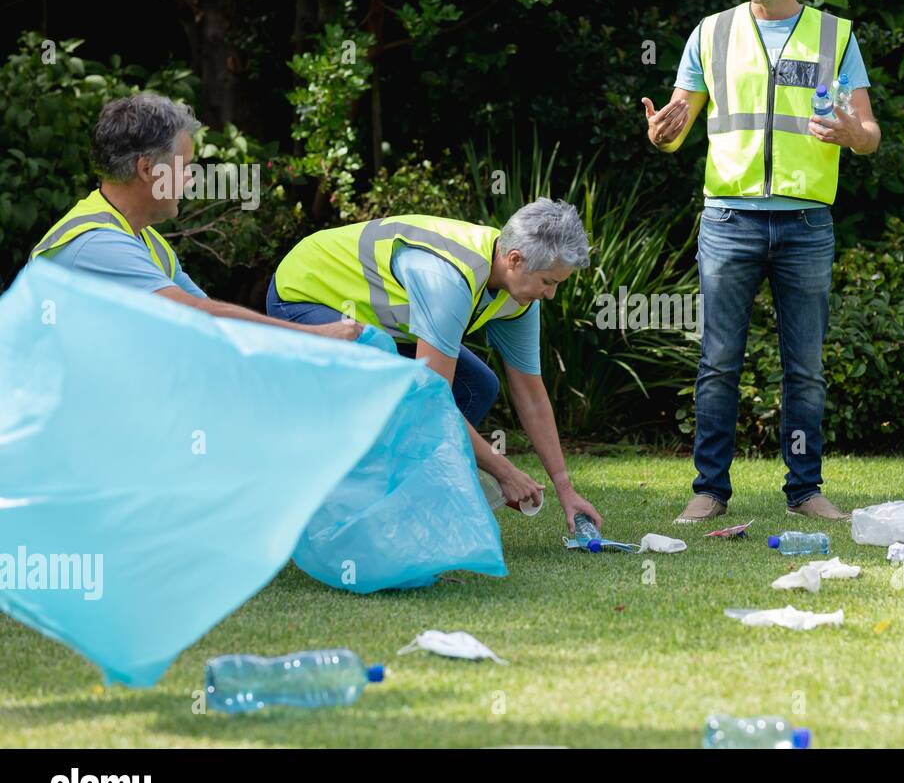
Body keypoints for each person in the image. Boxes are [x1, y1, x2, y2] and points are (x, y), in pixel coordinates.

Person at [640, 0, 881, 524]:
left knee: (804, 369)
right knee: (718, 361)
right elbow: (676, 128)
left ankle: (805, 490)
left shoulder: (836, 36)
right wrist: (660, 133)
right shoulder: (710, 34)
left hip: (805, 225)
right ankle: (709, 490)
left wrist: (854, 132)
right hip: (728, 220)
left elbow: (870, 134)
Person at [267, 199, 604, 532]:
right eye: (548, 282)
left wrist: (566, 490)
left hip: (379, 323)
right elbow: (431, 398)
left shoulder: (518, 296)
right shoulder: (448, 279)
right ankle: (346, 502)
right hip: (303, 297)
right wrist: (503, 471)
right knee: (391, 394)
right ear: (515, 259)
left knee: (477, 388)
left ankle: (402, 496)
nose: (550, 295)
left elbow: (530, 396)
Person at [30, 93, 360, 343]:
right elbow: (198, 315)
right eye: (185, 167)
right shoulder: (97, 243)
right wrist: (317, 336)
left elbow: (215, 328)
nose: (190, 180)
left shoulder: (145, 240)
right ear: (147, 169)